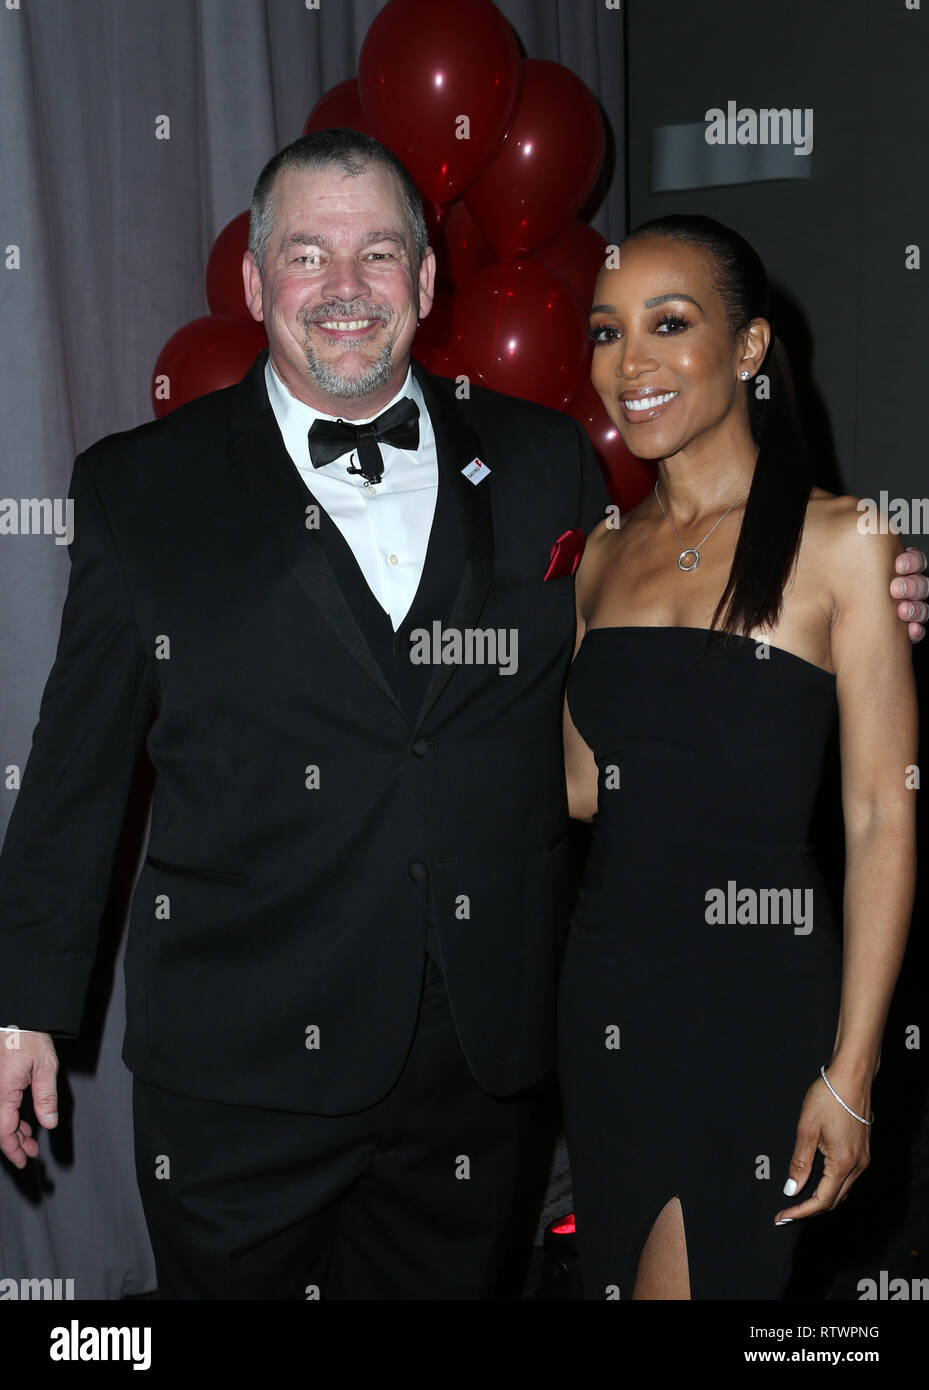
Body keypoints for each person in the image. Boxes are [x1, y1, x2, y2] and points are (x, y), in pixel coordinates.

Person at [0, 139, 923, 1300]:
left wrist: (868, 606)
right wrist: (21, 1005)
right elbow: (76, 767)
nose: (344, 286)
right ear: (253, 282)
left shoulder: (548, 472)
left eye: (378, 251)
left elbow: (668, 679)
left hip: (479, 1065)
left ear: (425, 283)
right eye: (307, 254)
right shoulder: (140, 490)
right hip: (241, 1075)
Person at [558, 213, 919, 1301]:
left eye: (670, 323)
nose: (631, 364)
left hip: (756, 1000)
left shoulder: (845, 542)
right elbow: (580, 791)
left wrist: (851, 1073)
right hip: (606, 991)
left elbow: (878, 817)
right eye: (606, 330)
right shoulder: (600, 555)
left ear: (750, 348)